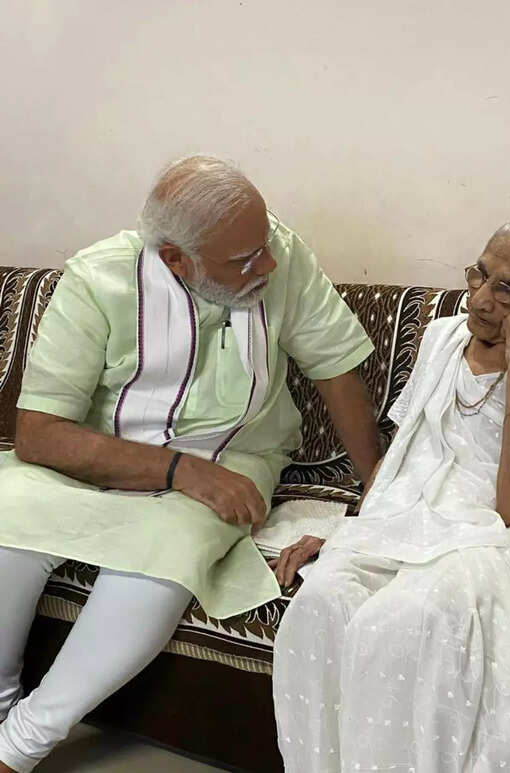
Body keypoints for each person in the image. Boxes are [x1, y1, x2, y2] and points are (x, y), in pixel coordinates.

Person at [0, 155, 382, 772]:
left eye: (264, 245)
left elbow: (335, 369)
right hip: (103, 460)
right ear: (177, 257)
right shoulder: (98, 280)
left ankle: (19, 745)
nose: (269, 264)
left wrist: (380, 493)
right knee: (5, 518)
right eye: (243, 260)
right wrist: (178, 470)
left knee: (171, 552)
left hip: (234, 460)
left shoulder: (280, 254)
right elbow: (39, 435)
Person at [272, 214, 510, 772]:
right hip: (411, 516)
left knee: (403, 620)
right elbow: (404, 453)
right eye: (480, 274)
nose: (479, 300)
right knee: (321, 602)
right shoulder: (441, 336)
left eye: (507, 290)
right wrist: (348, 527)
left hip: (499, 537)